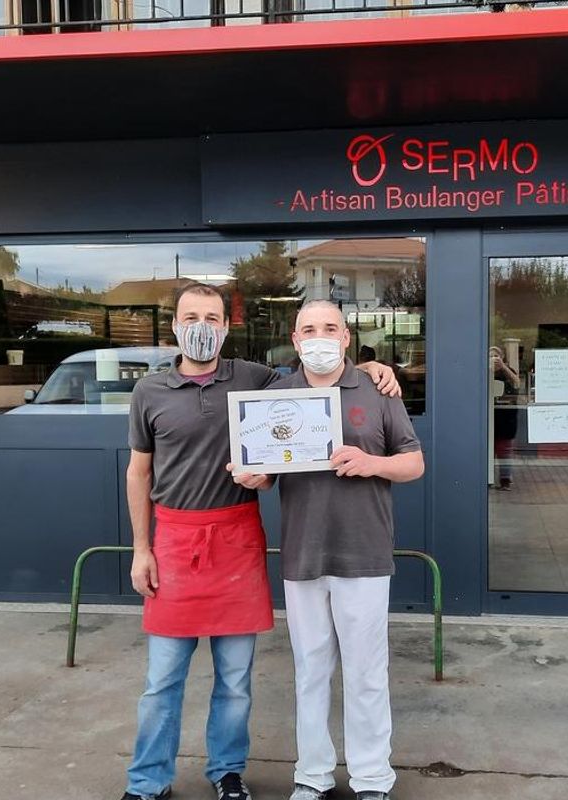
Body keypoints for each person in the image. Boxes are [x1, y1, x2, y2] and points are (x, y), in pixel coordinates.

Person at [122, 284, 400, 800]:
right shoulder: (149, 392)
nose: (201, 326)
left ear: (227, 327)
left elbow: (320, 378)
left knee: (235, 680)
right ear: (175, 324)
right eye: (191, 316)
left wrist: (375, 367)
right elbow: (138, 474)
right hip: (175, 542)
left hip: (236, 537)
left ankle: (227, 773)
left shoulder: (256, 379)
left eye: (211, 316)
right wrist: (142, 548)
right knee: (162, 679)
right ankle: (146, 782)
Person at [265, 300, 425, 800]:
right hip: (303, 552)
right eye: (308, 329)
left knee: (366, 672)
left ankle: (372, 778)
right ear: (294, 340)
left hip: (364, 551)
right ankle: (311, 776)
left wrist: (371, 463)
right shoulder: (277, 394)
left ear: (346, 337)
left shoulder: (377, 390)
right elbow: (266, 468)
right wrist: (253, 475)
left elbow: (414, 463)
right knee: (310, 671)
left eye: (329, 328)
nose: (319, 337)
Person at [489, 345, 520, 491]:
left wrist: (504, 367)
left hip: (505, 418)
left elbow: (517, 383)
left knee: (504, 450)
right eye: (490, 356)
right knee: (486, 450)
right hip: (488, 418)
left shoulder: (507, 371)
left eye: (496, 356)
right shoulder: (483, 371)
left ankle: (505, 479)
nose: (493, 359)